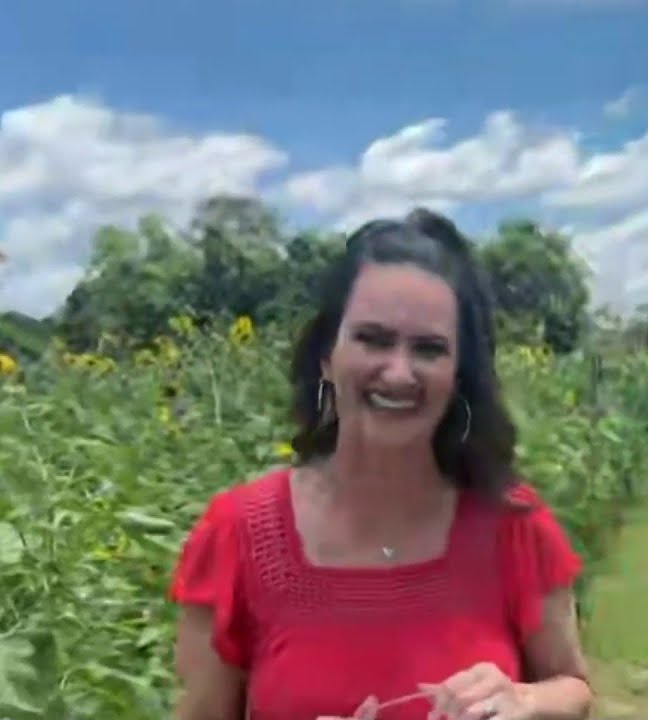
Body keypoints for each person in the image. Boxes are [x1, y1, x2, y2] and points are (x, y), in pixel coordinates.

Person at [169, 209, 594, 720]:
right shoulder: (239, 534)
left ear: (459, 373)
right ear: (326, 356)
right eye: (373, 339)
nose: (398, 372)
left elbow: (574, 688)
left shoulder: (514, 525)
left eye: (429, 349)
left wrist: (526, 699)